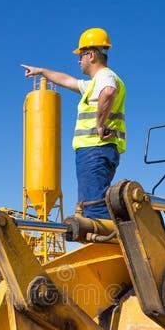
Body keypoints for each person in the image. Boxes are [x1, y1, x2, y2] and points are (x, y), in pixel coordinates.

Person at [21, 27, 126, 219]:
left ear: (91, 55)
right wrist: (42, 71)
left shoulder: (105, 76)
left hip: (95, 148)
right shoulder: (93, 84)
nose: (78, 61)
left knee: (94, 209)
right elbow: (67, 80)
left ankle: (104, 247)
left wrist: (100, 124)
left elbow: (109, 91)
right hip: (96, 150)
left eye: (81, 56)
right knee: (92, 205)